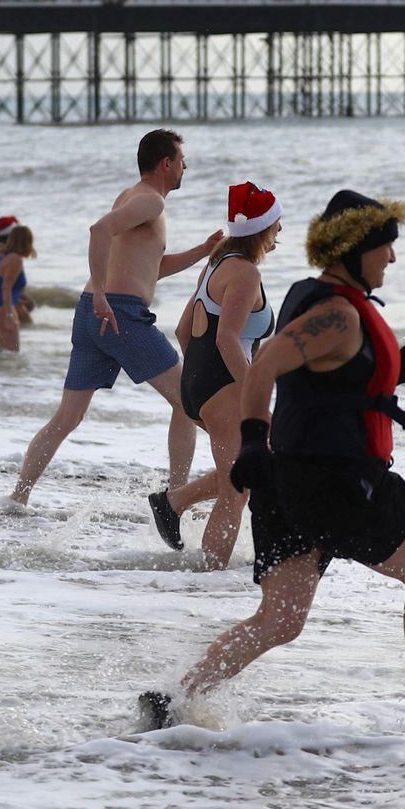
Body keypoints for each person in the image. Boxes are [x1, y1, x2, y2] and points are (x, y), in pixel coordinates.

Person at [140, 189, 405, 733]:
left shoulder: (320, 302)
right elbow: (263, 371)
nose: (392, 259)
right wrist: (255, 441)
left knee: (280, 619)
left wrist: (394, 371)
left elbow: (320, 380)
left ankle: (174, 698)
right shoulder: (334, 313)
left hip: (294, 484)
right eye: (385, 247)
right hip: (337, 484)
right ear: (353, 248)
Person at [6, 130, 220, 507]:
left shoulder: (134, 196)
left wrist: (203, 251)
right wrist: (104, 293)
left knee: (67, 417)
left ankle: (17, 498)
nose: (187, 165)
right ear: (166, 163)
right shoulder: (150, 202)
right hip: (118, 313)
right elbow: (99, 229)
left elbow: (150, 269)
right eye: (182, 159)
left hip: (93, 311)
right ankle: (175, 500)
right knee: (188, 400)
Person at [148, 182, 282, 565]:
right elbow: (227, 340)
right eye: (277, 226)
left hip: (202, 385)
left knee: (241, 475)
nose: (280, 234)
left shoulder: (217, 263)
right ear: (261, 229)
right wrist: (252, 394)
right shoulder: (245, 274)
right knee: (236, 489)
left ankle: (172, 501)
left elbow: (183, 328)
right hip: (224, 388)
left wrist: (198, 382)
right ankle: (209, 577)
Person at [0, 222, 37, 352]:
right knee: (12, 353)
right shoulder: (15, 259)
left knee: (3, 353)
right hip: (2, 308)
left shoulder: (2, 256)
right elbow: (5, 288)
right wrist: (8, 315)